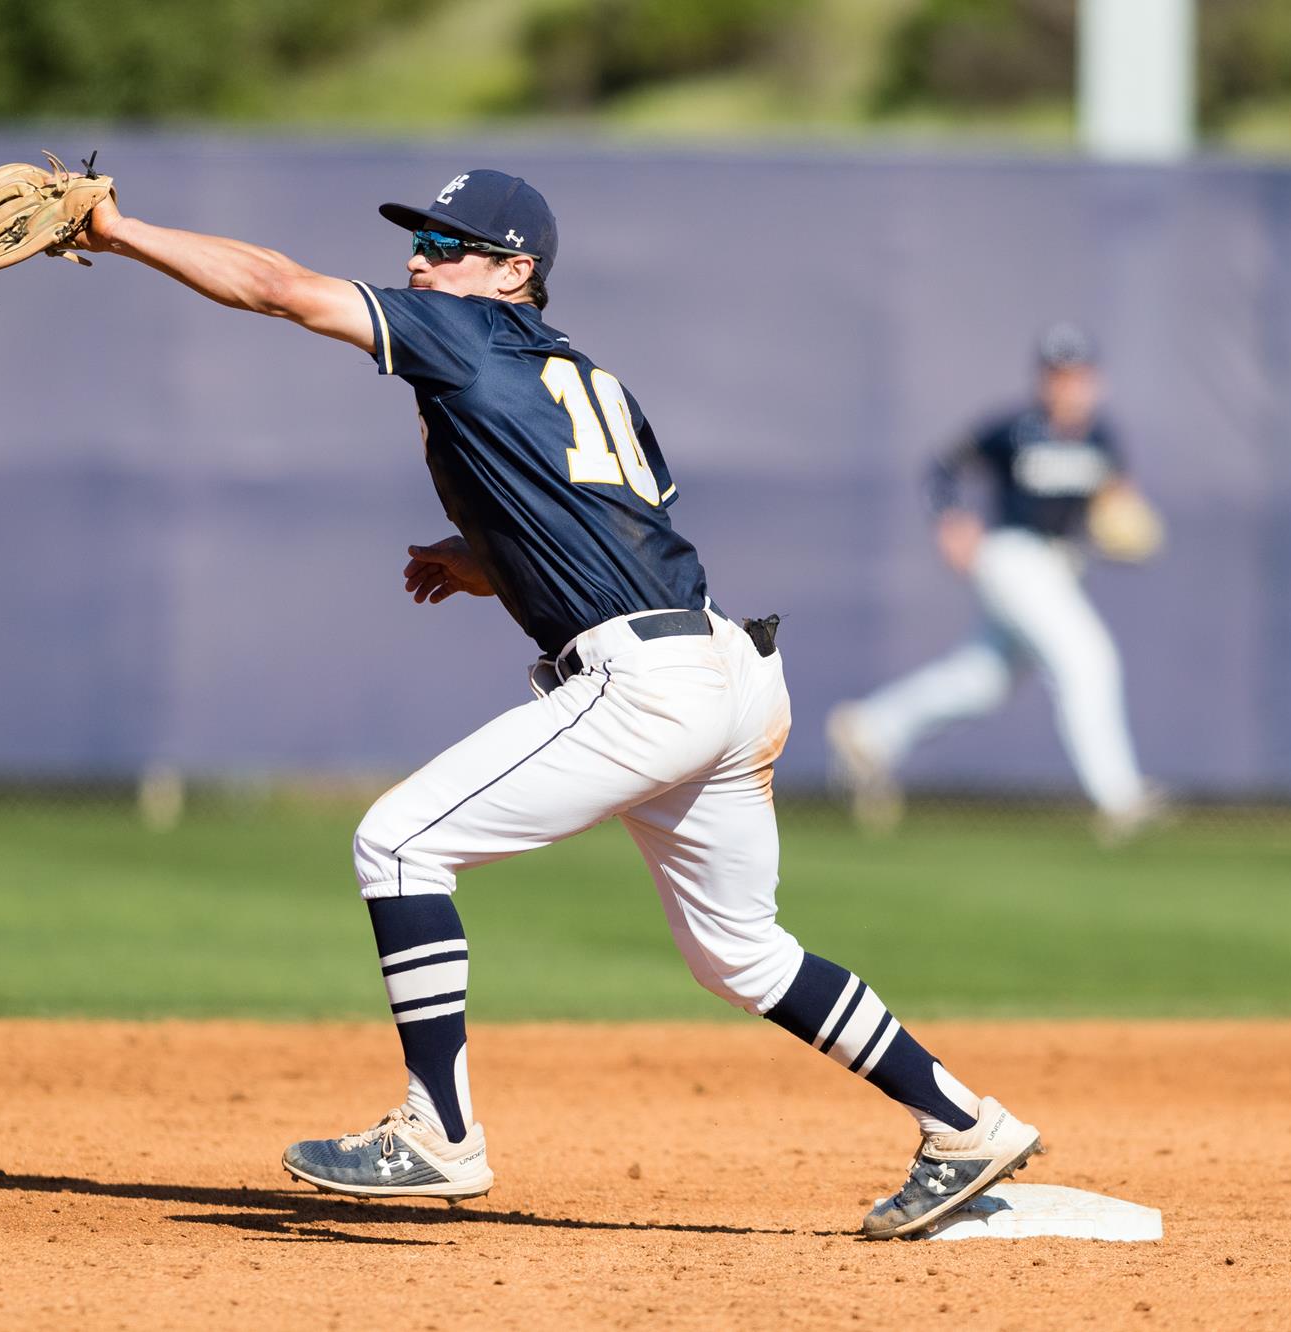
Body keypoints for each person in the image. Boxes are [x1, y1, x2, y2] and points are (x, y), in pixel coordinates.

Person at [70, 167, 1042, 1238]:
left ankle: (439, 1133)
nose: (420, 261)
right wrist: (486, 558)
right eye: (419, 241)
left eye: (448, 246)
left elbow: (279, 288)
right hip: (729, 668)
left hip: (649, 684)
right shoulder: (587, 377)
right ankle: (965, 1123)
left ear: (512, 272)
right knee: (740, 953)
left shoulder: (461, 334)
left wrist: (118, 232)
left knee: (398, 844)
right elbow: (613, 532)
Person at [827, 325, 1164, 841]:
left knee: (981, 681)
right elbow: (941, 467)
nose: (1067, 386)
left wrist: (1123, 519)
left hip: (1061, 566)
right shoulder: (1015, 429)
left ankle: (871, 730)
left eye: (1076, 375)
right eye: (1058, 375)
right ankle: (1119, 799)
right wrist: (950, 519)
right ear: (1044, 380)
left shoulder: (1102, 438)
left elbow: (1116, 500)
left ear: (1094, 381)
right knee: (1087, 659)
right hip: (1014, 560)